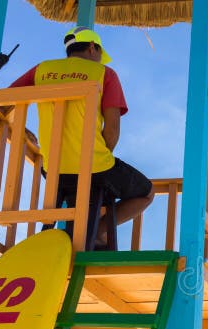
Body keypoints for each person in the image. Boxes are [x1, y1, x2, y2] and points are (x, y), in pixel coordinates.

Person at [9, 26, 153, 249]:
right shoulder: (104, 73)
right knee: (146, 192)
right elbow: (112, 130)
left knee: (82, 192)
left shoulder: (41, 70)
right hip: (93, 167)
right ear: (92, 48)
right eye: (100, 54)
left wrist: (19, 130)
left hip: (53, 170)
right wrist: (98, 159)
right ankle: (98, 231)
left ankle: (75, 234)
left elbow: (4, 101)